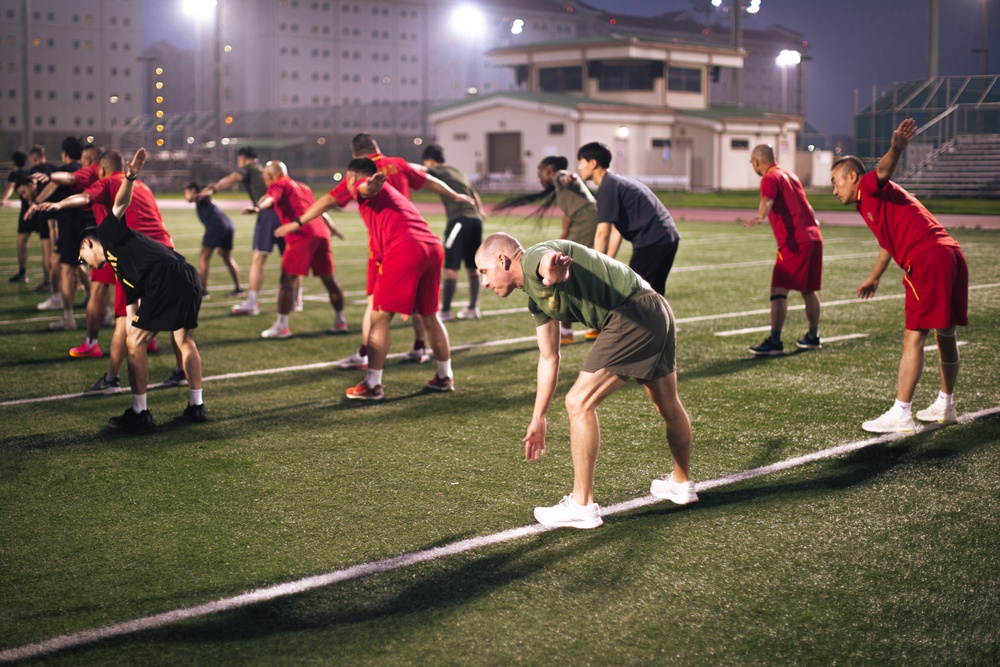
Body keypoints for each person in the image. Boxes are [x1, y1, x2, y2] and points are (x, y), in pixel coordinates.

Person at [475, 232, 697, 529]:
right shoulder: (535, 301)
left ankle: (581, 504)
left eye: (484, 272)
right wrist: (538, 416)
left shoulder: (530, 259)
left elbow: (545, 261)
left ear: (502, 260)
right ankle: (681, 484)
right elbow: (549, 357)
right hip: (655, 310)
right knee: (668, 405)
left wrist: (553, 268)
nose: (485, 282)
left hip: (631, 313)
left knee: (578, 402)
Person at [831, 118, 968, 433]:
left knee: (914, 334)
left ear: (852, 176)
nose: (834, 188)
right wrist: (875, 276)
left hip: (927, 257)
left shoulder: (867, 186)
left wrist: (895, 148)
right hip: (949, 252)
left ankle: (901, 412)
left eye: (836, 180)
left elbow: (882, 171)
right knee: (944, 333)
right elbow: (888, 243)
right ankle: (945, 404)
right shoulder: (869, 203)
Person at [292, 133, 474, 370]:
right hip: (415, 236)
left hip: (385, 243)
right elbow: (428, 181)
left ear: (355, 154)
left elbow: (333, 198)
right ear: (376, 146)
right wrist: (455, 194)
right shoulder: (397, 163)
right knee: (424, 307)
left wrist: (299, 221)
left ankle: (367, 362)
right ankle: (422, 351)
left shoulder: (361, 172)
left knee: (377, 308)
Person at [75, 147, 206, 430]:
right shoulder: (119, 265)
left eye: (81, 258)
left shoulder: (109, 235)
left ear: (88, 244)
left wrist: (130, 178)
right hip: (187, 274)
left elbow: (119, 205)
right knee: (183, 341)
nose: (84, 264)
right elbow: (133, 308)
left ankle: (140, 412)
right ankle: (196, 406)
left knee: (134, 343)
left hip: (168, 277)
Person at [38, 149, 180, 392]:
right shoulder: (141, 186)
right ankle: (182, 374)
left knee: (122, 320)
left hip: (137, 257)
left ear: (101, 169)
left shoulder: (107, 182)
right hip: (169, 253)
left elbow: (82, 195)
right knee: (179, 323)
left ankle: (113, 379)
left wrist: (59, 204)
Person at [341, 157, 454, 400]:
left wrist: (368, 185)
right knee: (430, 316)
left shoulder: (362, 187)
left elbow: (365, 188)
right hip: (432, 245)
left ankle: (372, 384)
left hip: (406, 247)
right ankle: (444, 376)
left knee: (380, 316)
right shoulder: (391, 191)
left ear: (351, 177)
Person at [495, 155, 601, 345]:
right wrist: (564, 235)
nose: (539, 178)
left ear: (550, 171)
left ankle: (572, 330)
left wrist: (570, 178)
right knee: (577, 271)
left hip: (586, 222)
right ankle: (590, 327)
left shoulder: (560, 177)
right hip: (584, 221)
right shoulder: (563, 192)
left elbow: (568, 177)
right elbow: (568, 214)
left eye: (540, 173)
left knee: (571, 273)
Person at [248, 160, 347, 339]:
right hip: (320, 233)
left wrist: (257, 207)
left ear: (270, 176)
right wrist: (331, 227)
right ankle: (340, 321)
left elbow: (270, 198)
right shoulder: (303, 186)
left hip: (301, 234)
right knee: (329, 280)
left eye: (265, 177)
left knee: (287, 280)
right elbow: (319, 209)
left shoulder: (279, 184)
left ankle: (282, 326)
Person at [33, 143, 115, 357]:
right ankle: (119, 322)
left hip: (80, 228)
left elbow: (73, 183)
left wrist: (52, 196)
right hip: (111, 233)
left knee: (72, 272)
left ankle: (77, 326)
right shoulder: (125, 180)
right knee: (106, 282)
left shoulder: (93, 173)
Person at [743, 143, 824, 355]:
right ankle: (813, 336)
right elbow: (809, 208)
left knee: (778, 290)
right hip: (814, 237)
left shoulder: (769, 177)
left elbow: (767, 201)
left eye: (753, 162)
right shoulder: (791, 175)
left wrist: (760, 216)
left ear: (758, 161)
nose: (753, 166)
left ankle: (775, 341)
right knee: (808, 290)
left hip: (795, 242)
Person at [577, 142, 681, 296]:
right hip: (667, 238)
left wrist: (596, 269)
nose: (579, 167)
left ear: (593, 163)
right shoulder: (614, 182)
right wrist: (607, 262)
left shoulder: (608, 187)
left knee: (634, 296)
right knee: (653, 297)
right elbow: (617, 230)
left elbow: (602, 233)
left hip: (653, 241)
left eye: (581, 162)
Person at [201, 147, 296, 316]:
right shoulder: (267, 170)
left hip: (268, 213)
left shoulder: (249, 168)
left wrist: (213, 189)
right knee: (290, 259)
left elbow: (233, 178)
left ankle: (252, 302)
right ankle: (295, 300)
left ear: (243, 159)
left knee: (258, 259)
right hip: (287, 215)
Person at [417, 144, 485, 322]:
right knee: (473, 267)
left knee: (451, 268)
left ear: (430, 161)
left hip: (459, 221)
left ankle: (445, 311)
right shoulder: (458, 171)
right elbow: (474, 193)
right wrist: (481, 211)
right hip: (475, 221)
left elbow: (418, 170)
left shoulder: (436, 170)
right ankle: (473, 308)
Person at [183, 182, 243, 298]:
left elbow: (204, 195)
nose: (185, 196)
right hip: (228, 225)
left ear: (192, 190)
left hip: (216, 226)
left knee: (204, 257)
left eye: (186, 193)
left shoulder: (201, 197)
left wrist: (204, 191)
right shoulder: (202, 200)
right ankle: (239, 288)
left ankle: (203, 291)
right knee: (226, 256)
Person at [3, 151, 32, 283]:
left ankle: (22, 274)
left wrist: (3, 200)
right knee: (48, 244)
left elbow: (10, 187)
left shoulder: (14, 174)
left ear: (13, 163)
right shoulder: (29, 172)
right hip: (38, 209)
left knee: (21, 243)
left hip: (27, 212)